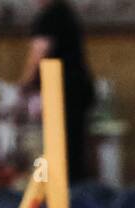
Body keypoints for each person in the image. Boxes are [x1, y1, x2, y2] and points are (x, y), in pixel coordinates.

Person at [18, 0, 94, 180]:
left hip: (63, 91)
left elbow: (39, 51)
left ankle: (64, 189)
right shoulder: (64, 13)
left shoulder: (51, 15)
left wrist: (24, 83)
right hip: (72, 90)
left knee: (64, 147)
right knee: (71, 147)